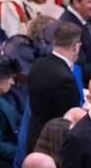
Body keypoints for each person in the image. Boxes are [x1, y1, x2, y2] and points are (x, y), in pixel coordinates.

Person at [25, 20, 83, 154]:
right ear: (75, 46)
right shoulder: (65, 79)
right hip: (53, 146)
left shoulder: (39, 64)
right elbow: (70, 120)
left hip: (34, 137)